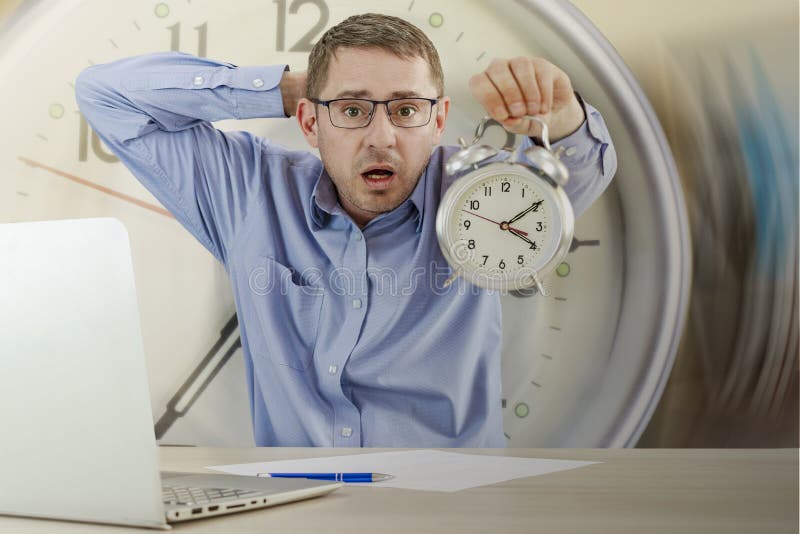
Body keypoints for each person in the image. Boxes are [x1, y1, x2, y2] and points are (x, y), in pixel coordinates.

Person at [76, 13, 616, 447]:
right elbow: (104, 94)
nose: (380, 137)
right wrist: (286, 91)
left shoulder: (477, 193)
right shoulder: (248, 190)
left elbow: (584, 163)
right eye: (353, 110)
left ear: (437, 119)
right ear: (310, 122)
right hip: (297, 505)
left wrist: (561, 112)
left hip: (458, 506)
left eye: (405, 109)